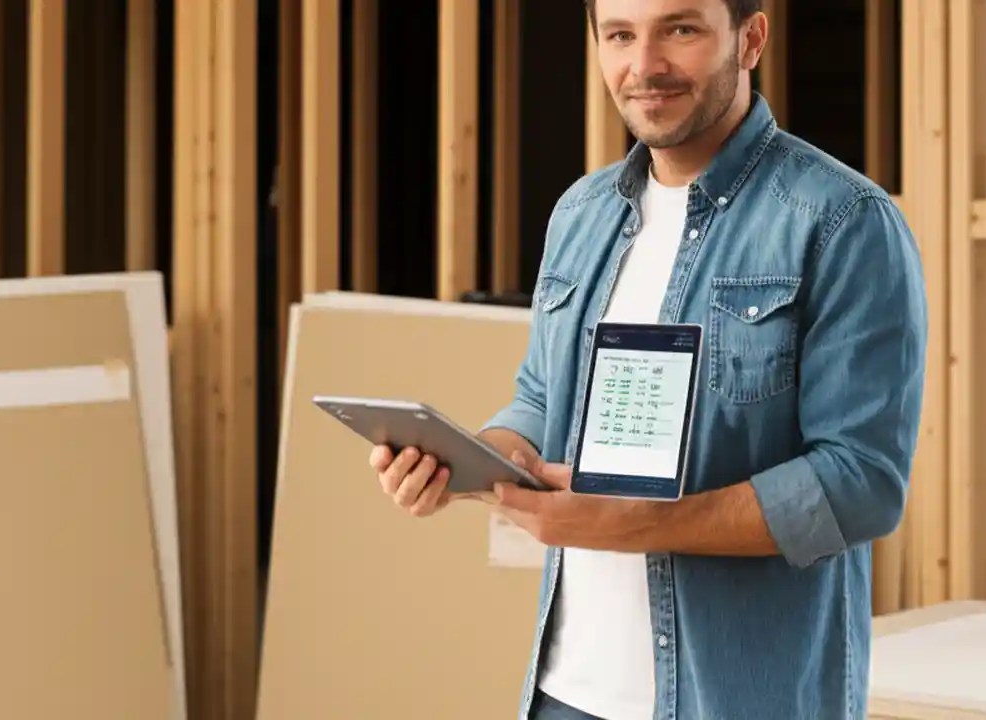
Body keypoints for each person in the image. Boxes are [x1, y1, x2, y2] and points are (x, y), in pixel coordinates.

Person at [369, 0, 927, 717]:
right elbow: (542, 397)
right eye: (621, 35)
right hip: (566, 692)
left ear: (750, 39)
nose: (645, 66)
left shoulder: (842, 221)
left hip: (738, 700)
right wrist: (471, 461)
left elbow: (861, 483)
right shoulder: (581, 213)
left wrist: (637, 523)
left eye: (681, 30)